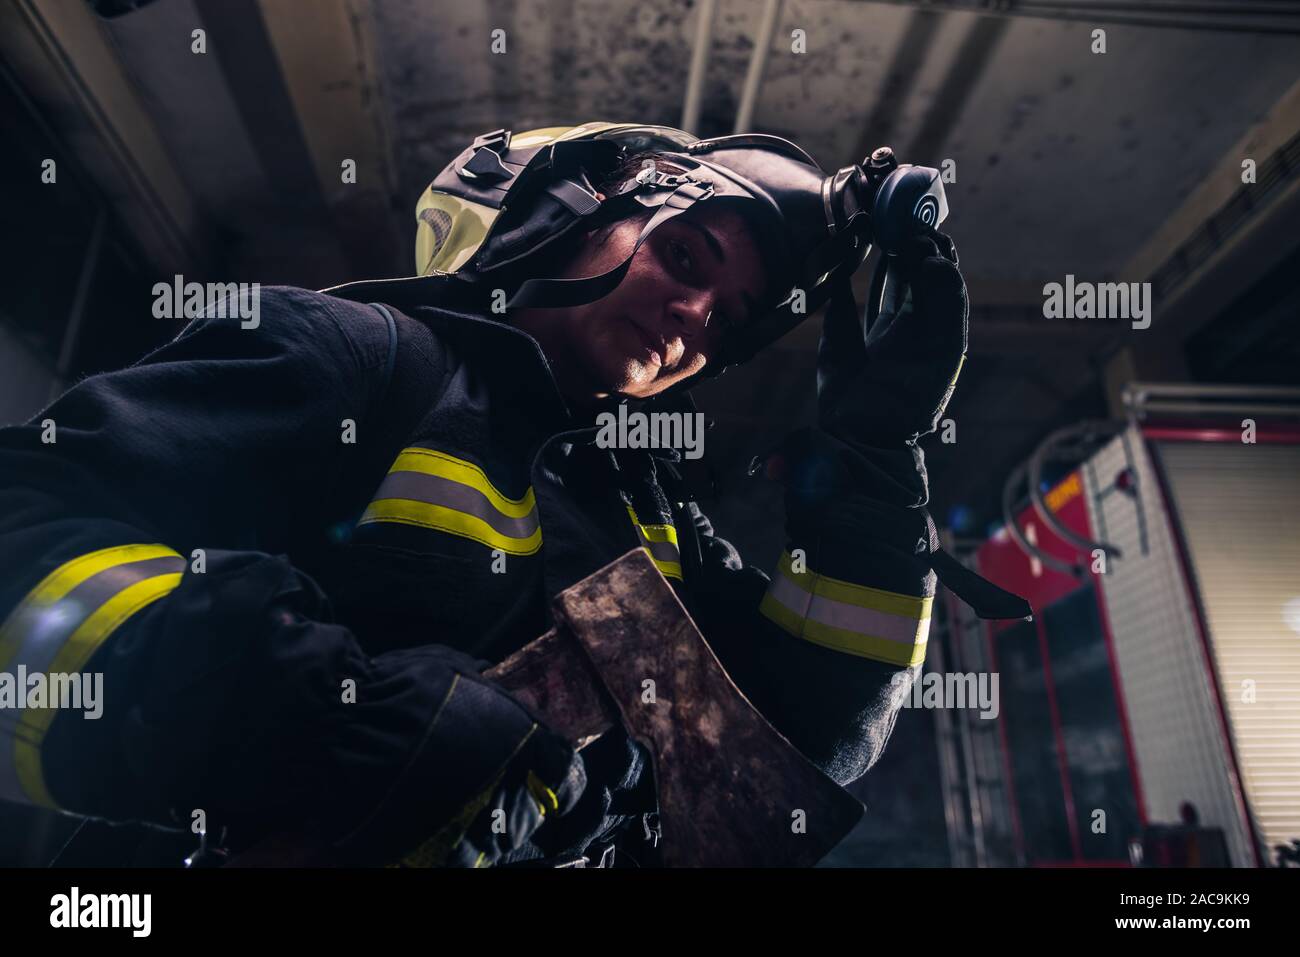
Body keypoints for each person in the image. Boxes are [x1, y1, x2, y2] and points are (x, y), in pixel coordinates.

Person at [0, 123, 1024, 867]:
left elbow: (809, 749)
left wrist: (875, 458)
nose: (696, 313)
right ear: (565, 212)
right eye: (684, 254)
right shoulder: (357, 358)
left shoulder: (646, 508)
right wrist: (296, 729)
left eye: (729, 317)